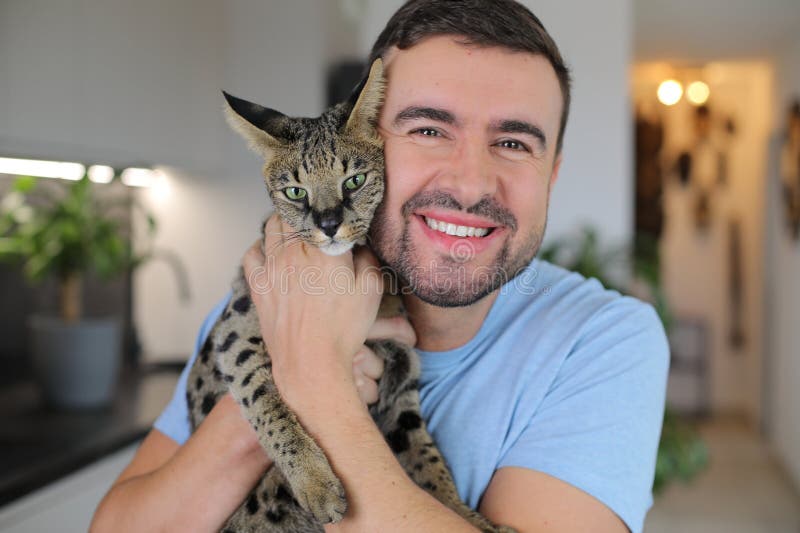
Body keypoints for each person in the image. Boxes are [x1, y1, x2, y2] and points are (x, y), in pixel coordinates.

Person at [91, 1, 668, 532]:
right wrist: (279, 384)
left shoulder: (604, 341)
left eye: (515, 143)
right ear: (372, 139)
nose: (469, 183)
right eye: (428, 129)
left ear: (553, 173)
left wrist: (315, 378)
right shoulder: (273, 292)